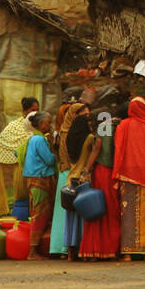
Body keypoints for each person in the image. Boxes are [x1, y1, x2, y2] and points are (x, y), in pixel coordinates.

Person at [113, 96, 145, 261]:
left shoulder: (124, 125)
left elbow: (119, 148)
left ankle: (127, 252)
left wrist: (117, 171)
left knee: (128, 214)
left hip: (128, 174)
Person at [79, 109, 121, 261]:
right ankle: (111, 249)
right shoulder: (119, 126)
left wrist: (86, 170)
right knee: (112, 210)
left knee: (97, 211)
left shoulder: (103, 128)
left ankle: (94, 249)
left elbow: (97, 149)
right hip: (115, 172)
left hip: (102, 172)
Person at [50, 100, 89, 257]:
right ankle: (65, 247)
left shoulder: (61, 132)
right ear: (74, 115)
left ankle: (60, 247)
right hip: (70, 173)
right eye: (83, 115)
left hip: (64, 174)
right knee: (69, 214)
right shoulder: (73, 135)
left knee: (63, 213)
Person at [0, 96, 37, 215]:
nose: (35, 112)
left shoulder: (40, 124)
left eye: (38, 109)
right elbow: (1, 142)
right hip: (21, 168)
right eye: (33, 110)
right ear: (25, 111)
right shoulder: (14, 126)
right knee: (22, 197)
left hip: (37, 169)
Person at [62, 110, 96, 262]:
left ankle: (70, 253)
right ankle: (83, 251)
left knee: (70, 218)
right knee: (83, 217)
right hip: (83, 180)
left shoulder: (69, 138)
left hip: (70, 179)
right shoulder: (89, 138)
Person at [22, 110, 57, 259]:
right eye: (48, 122)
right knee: (40, 213)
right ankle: (33, 250)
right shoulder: (40, 140)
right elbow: (49, 160)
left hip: (33, 177)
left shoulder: (33, 138)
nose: (50, 125)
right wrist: (53, 148)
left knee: (37, 211)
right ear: (42, 124)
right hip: (40, 177)